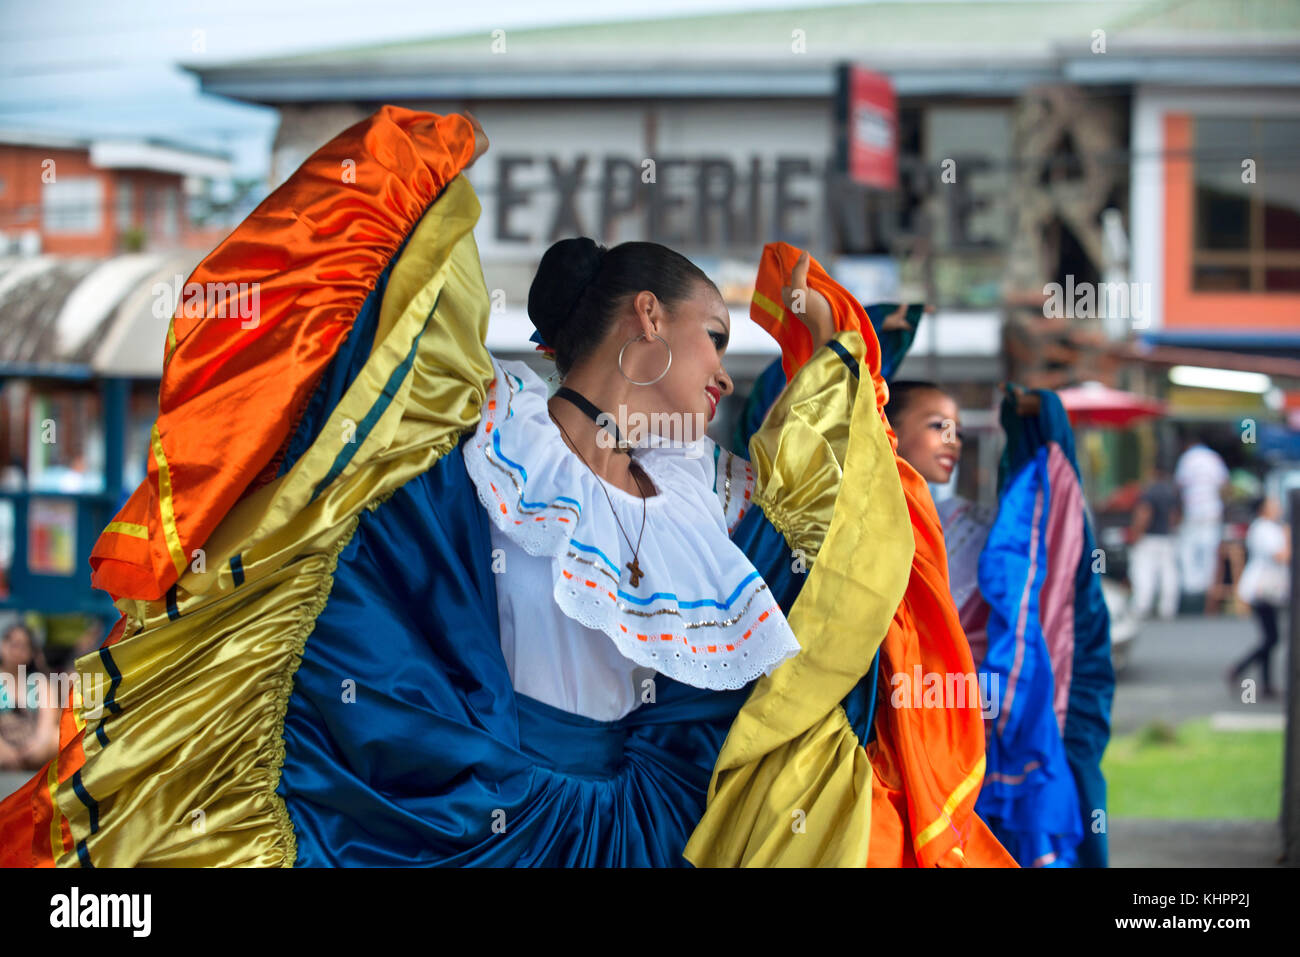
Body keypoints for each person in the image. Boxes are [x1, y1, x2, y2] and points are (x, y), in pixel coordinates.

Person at [3, 108, 1012, 867]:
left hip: (661, 824)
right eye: (714, 336)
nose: (721, 371)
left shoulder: (706, 504)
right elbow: (349, 430)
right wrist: (406, 199)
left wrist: (838, 371)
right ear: (646, 319)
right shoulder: (482, 457)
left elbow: (808, 592)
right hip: (480, 817)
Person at [1228, 495, 1289, 699]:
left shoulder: (1268, 527)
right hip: (1262, 589)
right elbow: (1281, 556)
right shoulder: (1264, 529)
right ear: (1264, 508)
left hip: (1270, 589)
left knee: (1270, 638)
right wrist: (1290, 535)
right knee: (1271, 638)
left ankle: (1265, 685)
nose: (1278, 507)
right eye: (1273, 504)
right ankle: (1239, 670)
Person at [0, 622, 60, 772]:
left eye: (23, 645)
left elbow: (47, 724)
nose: (17, 649)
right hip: (3, 746)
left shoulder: (39, 682)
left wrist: (36, 748)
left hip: (33, 747)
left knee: (58, 735)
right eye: (12, 643)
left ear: (31, 653)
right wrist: (6, 751)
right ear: (2, 645)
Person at [1175, 435, 1229, 598]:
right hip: (1212, 511)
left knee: (1188, 551)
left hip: (1193, 511)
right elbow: (1225, 486)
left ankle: (1191, 590)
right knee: (1209, 552)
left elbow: (1179, 485)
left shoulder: (1187, 459)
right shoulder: (1214, 458)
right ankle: (1206, 591)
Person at [1127, 462, 1181, 621]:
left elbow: (1144, 513)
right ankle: (1168, 607)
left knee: (1143, 572)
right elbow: (1175, 516)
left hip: (1149, 538)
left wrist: (1136, 533)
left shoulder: (1149, 492)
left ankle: (1141, 605)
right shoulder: (1171, 492)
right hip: (1166, 537)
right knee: (1168, 574)